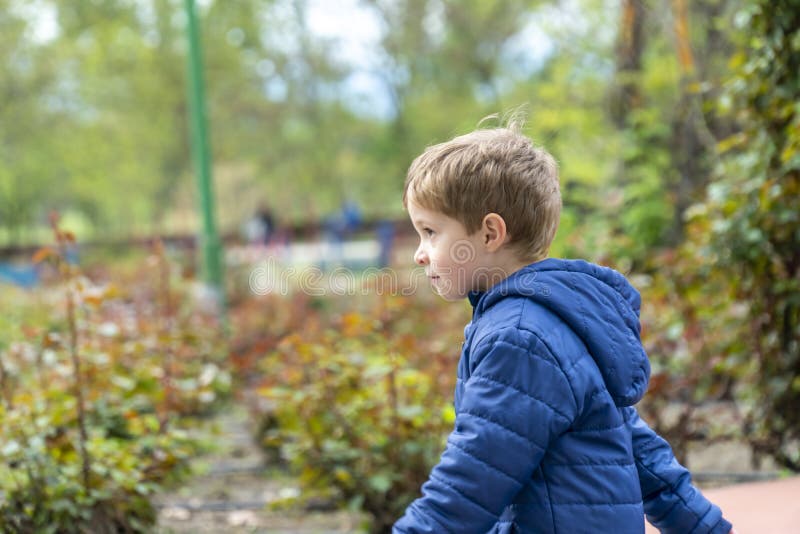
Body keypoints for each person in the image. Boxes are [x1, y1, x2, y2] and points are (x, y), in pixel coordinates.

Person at [393, 122, 734, 533]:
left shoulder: (518, 339)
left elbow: (471, 482)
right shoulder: (558, 318)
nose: (419, 254)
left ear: (489, 233)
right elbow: (634, 447)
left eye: (430, 232)